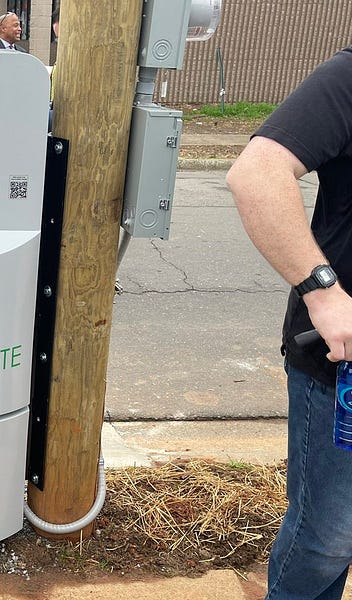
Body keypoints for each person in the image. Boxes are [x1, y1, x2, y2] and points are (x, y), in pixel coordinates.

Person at [226, 46, 352, 600]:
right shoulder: (349, 78)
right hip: (344, 365)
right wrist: (325, 295)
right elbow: (257, 174)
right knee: (328, 540)